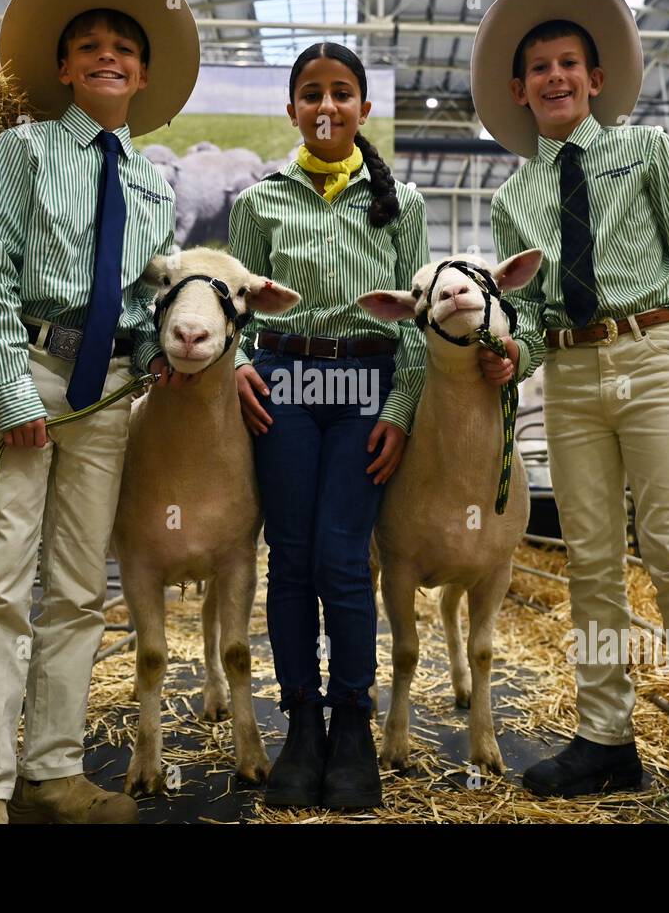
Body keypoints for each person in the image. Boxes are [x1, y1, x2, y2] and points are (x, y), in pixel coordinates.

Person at [471, 0, 669, 823]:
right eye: (540, 69)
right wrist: (509, 356)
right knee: (590, 563)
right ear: (519, 90)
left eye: (568, 64)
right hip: (571, 371)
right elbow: (522, 309)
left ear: (595, 78)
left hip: (654, 353)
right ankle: (606, 738)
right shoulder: (511, 197)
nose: (555, 78)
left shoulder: (651, 151)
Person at [0, 0, 199, 823]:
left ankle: (52, 770)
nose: (107, 56)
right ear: (63, 69)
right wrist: (13, 395)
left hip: (107, 398)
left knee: (83, 587)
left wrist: (153, 352)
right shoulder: (22, 149)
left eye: (122, 49)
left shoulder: (153, 184)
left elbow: (137, 302)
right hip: (29, 372)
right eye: (89, 46)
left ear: (140, 74)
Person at [227, 43, 429, 810]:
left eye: (341, 94)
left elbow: (414, 318)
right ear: (291, 110)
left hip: (364, 383)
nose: (325, 107)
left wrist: (401, 408)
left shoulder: (401, 204)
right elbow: (233, 302)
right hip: (280, 383)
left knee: (345, 560)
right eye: (311, 94)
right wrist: (237, 364)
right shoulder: (257, 203)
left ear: (363, 110)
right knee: (292, 556)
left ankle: (352, 722)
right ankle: (300, 722)